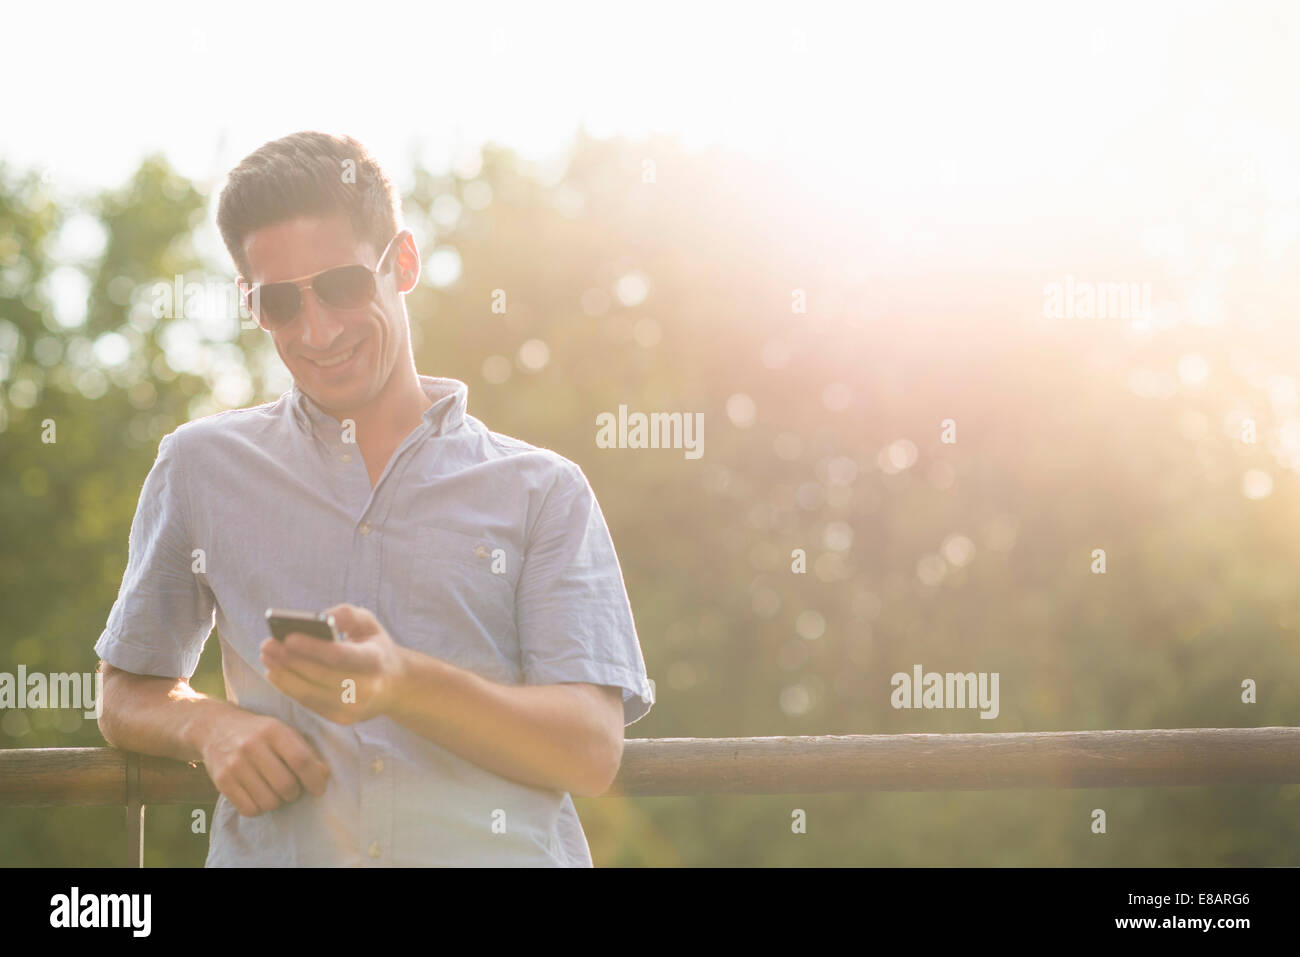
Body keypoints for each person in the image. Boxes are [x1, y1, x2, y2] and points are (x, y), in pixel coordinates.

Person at [94, 131, 654, 866]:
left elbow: (589, 749)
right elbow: (125, 691)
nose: (317, 330)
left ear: (405, 262)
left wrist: (404, 683)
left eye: (342, 286)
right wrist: (207, 726)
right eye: (280, 303)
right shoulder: (198, 466)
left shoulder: (545, 492)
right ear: (249, 301)